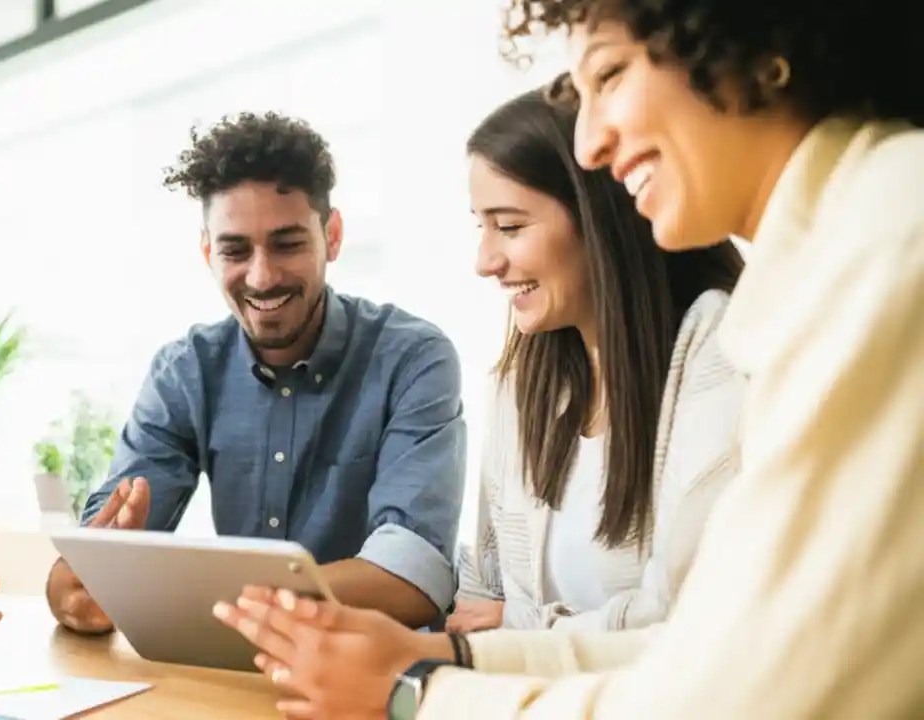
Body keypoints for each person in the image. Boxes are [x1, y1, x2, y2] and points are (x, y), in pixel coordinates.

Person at [213, 1, 924, 718]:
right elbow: (708, 646)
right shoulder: (829, 257)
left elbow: (742, 693)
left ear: (744, 38)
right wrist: (449, 656)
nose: (590, 144)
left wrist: (416, 697)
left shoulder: (884, 242)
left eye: (609, 74)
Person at [46, 111, 466, 633]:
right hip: (233, 675)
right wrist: (78, 590)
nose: (262, 277)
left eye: (287, 244)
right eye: (235, 250)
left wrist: (219, 602)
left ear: (332, 236)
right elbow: (90, 568)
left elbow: (412, 578)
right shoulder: (185, 371)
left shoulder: (412, 358)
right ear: (207, 252)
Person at [444, 89, 744, 636]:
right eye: (479, 226)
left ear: (601, 220)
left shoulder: (717, 351)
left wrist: (521, 630)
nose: (485, 262)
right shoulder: (522, 380)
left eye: (509, 227)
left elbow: (682, 617)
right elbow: (479, 597)